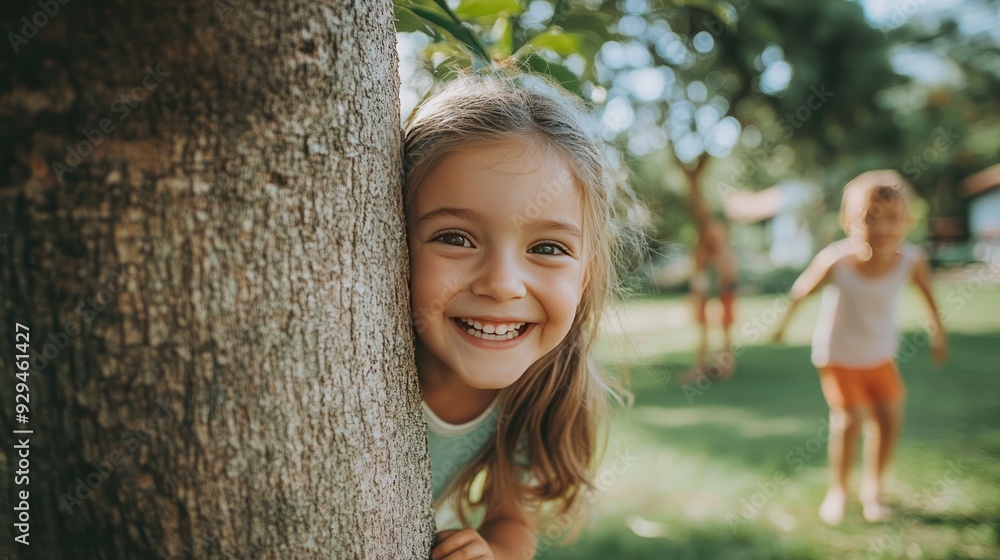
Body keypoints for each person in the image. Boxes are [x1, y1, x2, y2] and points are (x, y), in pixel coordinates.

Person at [403, 71, 640, 559]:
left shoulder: (539, 391)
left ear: (586, 276)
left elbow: (513, 520)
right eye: (454, 238)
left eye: (547, 247)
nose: (502, 284)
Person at [772, 170, 948, 524]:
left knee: (889, 417)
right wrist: (781, 328)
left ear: (907, 221)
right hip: (837, 355)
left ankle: (874, 490)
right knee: (850, 420)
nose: (883, 228)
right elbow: (800, 292)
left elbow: (930, 299)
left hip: (879, 355)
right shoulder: (835, 260)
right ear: (848, 221)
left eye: (893, 218)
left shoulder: (912, 261)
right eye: (871, 218)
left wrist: (938, 334)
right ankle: (837, 490)